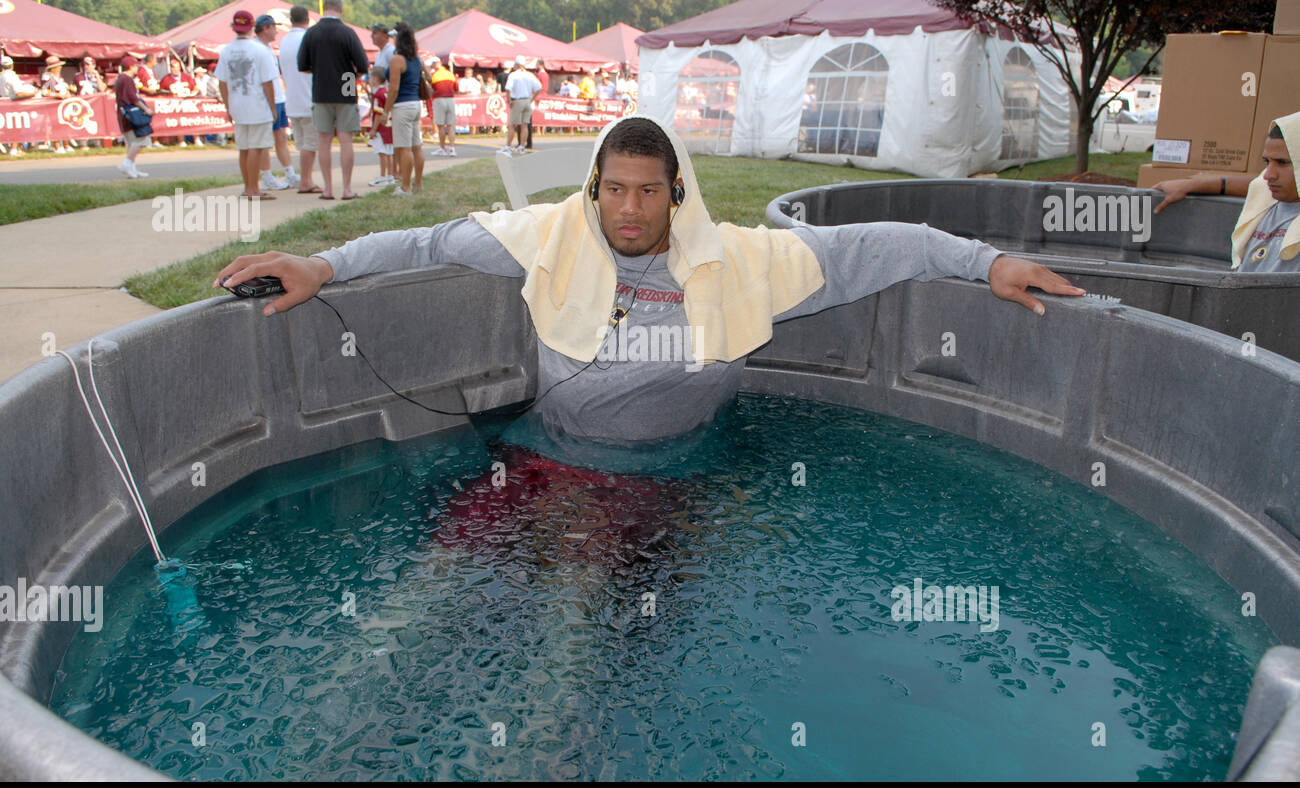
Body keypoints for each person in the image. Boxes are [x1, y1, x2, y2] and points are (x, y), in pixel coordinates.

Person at [214, 115, 1084, 450]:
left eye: (649, 190)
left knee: (584, 662)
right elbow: (429, 240)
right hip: (549, 460)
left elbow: (879, 244)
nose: (630, 211)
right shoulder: (548, 238)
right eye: (615, 189)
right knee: (424, 607)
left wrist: (989, 262)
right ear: (596, 188)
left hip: (679, 487)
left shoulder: (744, 261)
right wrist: (321, 264)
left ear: (678, 191)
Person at [1153, 112, 1300, 272]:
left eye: (1283, 162)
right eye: (1267, 162)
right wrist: (1191, 185)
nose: (1268, 175)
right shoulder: (1266, 193)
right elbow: (1251, 184)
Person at [297, 0, 369, 200]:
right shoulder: (347, 32)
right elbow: (363, 65)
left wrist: (321, 71)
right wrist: (349, 76)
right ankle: (346, 188)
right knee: (346, 138)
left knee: (323, 140)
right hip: (346, 86)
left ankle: (328, 188)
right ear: (341, 8)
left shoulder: (311, 33)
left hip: (321, 89)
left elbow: (303, 65)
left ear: (323, 7)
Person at [214, 10, 280, 200]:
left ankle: (247, 187)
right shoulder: (259, 50)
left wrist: (227, 106)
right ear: (252, 27)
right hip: (257, 103)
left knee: (244, 148)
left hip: (237, 103)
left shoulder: (226, 51)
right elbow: (268, 82)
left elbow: (222, 82)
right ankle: (254, 189)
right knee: (256, 147)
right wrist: (273, 107)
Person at [253, 14, 299, 190]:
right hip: (266, 99)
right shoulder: (256, 49)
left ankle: (289, 173)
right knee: (265, 140)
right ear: (265, 28)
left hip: (278, 98)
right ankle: (266, 176)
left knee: (280, 137)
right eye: (273, 28)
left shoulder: (268, 48)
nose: (276, 32)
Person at [278, 5, 320, 192]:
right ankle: (306, 180)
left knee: (302, 143)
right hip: (308, 97)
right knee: (310, 145)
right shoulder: (307, 39)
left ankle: (305, 178)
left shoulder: (284, 41)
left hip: (292, 99)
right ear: (308, 19)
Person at [382, 22, 427, 195]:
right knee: (417, 146)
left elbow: (393, 88)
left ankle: (405, 187)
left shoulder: (397, 60)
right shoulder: (416, 59)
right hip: (416, 104)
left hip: (402, 105)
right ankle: (418, 183)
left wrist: (386, 111)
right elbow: (428, 76)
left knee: (404, 147)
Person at [113, 55, 153, 178]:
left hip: (123, 113)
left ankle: (132, 169)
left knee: (131, 142)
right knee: (140, 140)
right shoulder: (127, 79)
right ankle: (127, 163)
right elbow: (133, 98)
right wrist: (146, 108)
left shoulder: (120, 79)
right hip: (130, 113)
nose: (137, 68)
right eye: (135, 66)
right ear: (131, 66)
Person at [504, 56, 540, 155]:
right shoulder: (530, 75)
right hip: (527, 100)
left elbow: (508, 88)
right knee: (525, 125)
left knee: (512, 125)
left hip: (518, 100)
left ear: (517, 65)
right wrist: (531, 99)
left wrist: (509, 100)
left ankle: (508, 146)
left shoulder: (513, 75)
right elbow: (538, 88)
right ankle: (522, 146)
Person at [366, 64, 396, 186]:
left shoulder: (378, 94)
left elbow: (378, 114)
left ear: (375, 78)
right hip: (389, 126)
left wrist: (373, 130)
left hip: (381, 129)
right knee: (389, 152)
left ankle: (383, 176)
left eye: (370, 77)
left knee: (382, 153)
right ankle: (390, 175)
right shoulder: (386, 92)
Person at [429, 55, 458, 156]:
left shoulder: (434, 75)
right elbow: (456, 87)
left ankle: (442, 148)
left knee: (440, 125)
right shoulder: (450, 74)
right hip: (450, 99)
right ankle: (452, 148)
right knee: (450, 125)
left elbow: (431, 89)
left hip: (439, 99)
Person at [526, 58, 549, 150]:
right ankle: (541, 130)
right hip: (544, 94)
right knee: (543, 113)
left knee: (537, 113)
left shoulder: (540, 75)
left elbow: (538, 86)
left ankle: (539, 129)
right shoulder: (546, 74)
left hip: (539, 95)